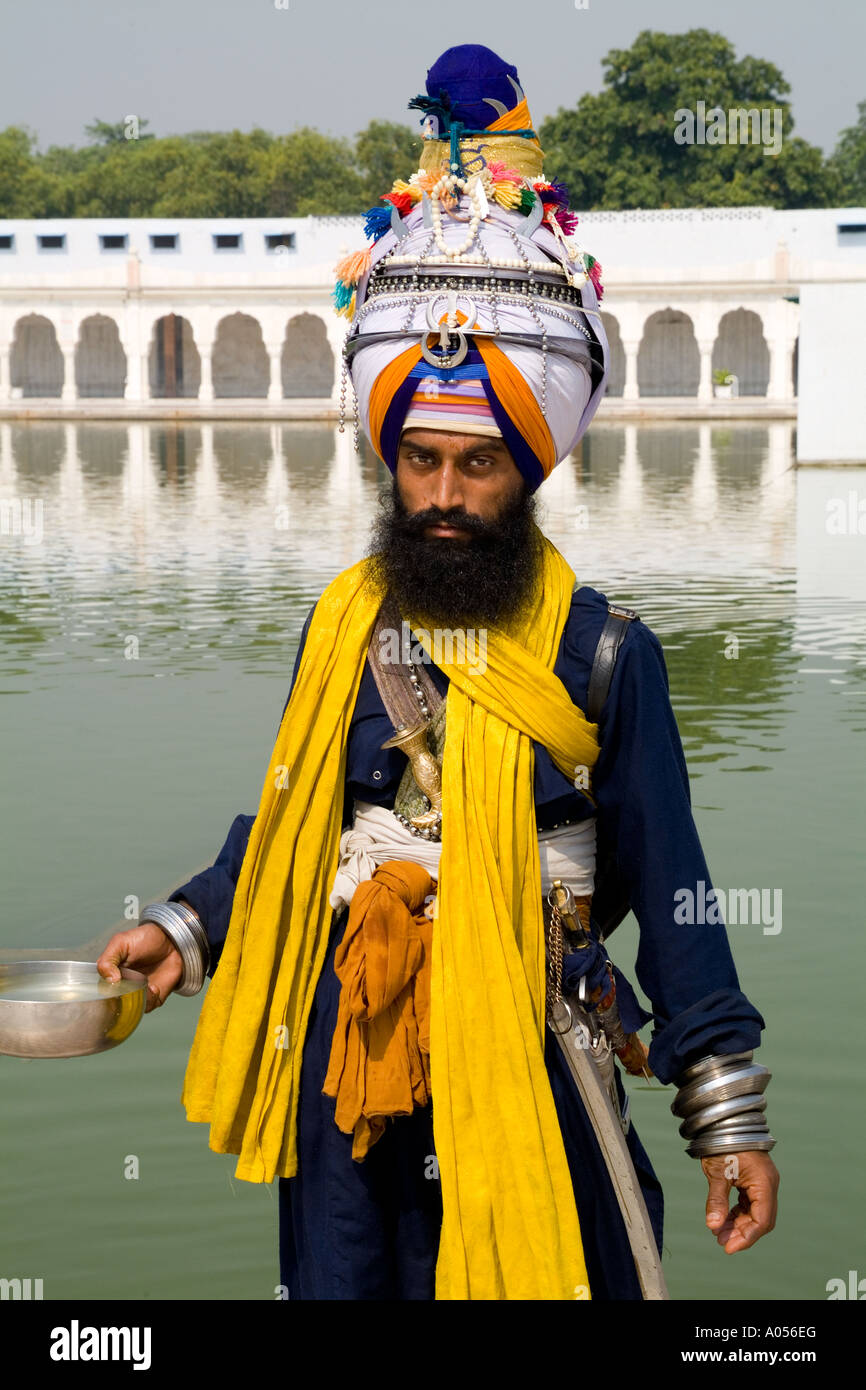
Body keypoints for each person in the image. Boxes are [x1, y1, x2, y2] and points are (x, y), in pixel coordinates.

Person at [98, 44, 779, 1301]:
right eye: (422, 461)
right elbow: (299, 828)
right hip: (352, 1078)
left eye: (477, 464)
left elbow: (675, 889)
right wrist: (185, 925)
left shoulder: (603, 652)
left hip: (532, 1055)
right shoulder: (344, 623)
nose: (446, 494)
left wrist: (723, 1112)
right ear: (390, 459)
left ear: (529, 468)